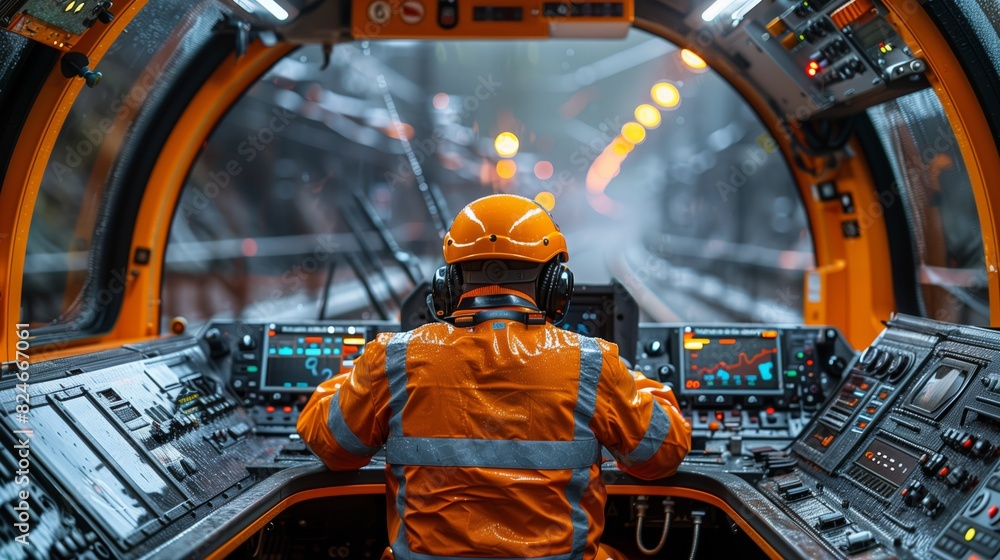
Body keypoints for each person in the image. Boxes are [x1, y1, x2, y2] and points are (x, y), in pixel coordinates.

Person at [298, 193, 691, 560]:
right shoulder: (593, 363)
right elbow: (661, 456)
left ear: (448, 285)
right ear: (556, 286)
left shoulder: (393, 357)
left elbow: (334, 447)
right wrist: (629, 378)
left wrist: (360, 373)